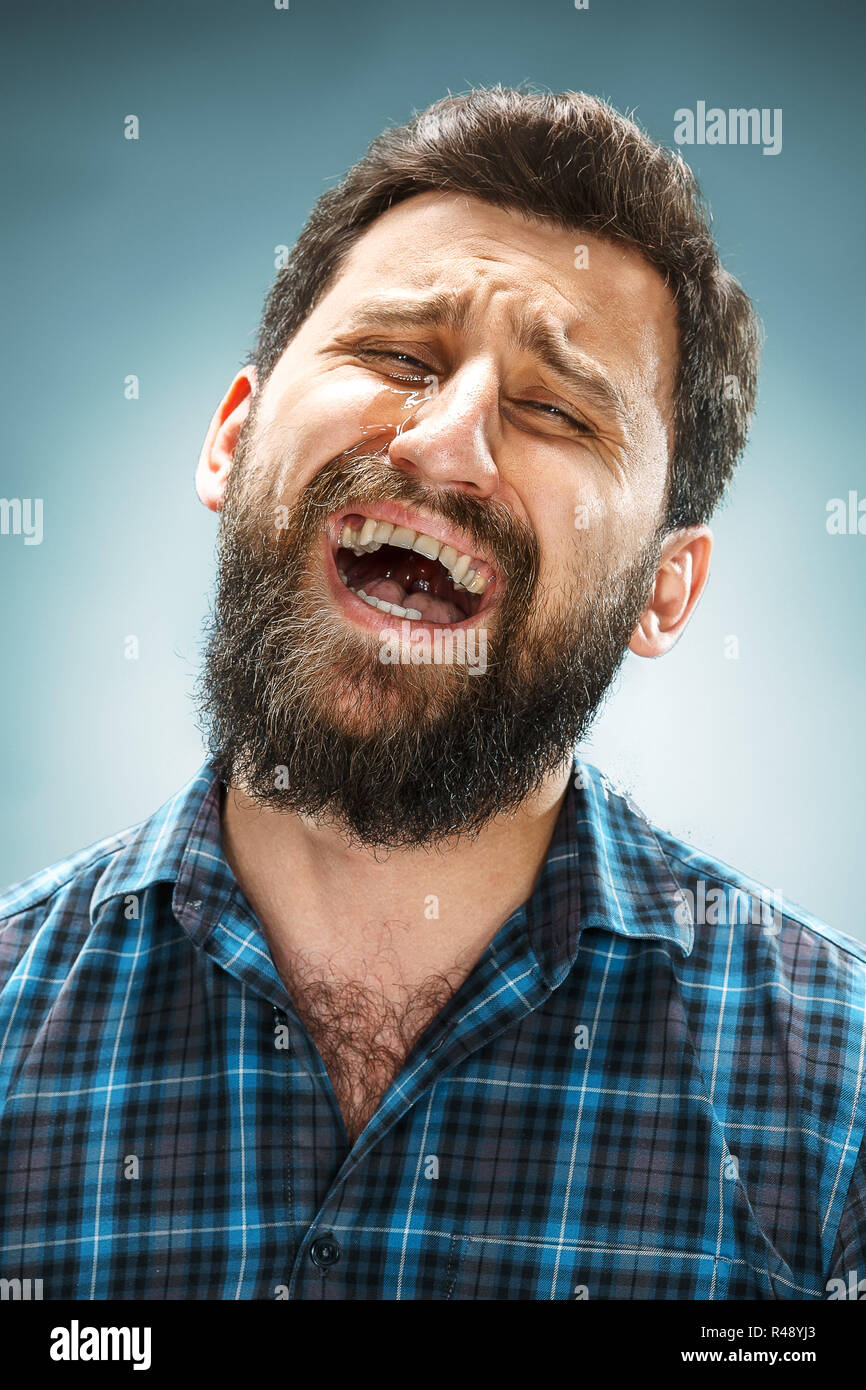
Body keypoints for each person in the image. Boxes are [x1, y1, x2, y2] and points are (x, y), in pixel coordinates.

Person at [1, 88, 863, 1302]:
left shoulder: (841, 1103)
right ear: (230, 438)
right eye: (398, 357)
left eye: (555, 410)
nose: (446, 441)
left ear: (662, 590)